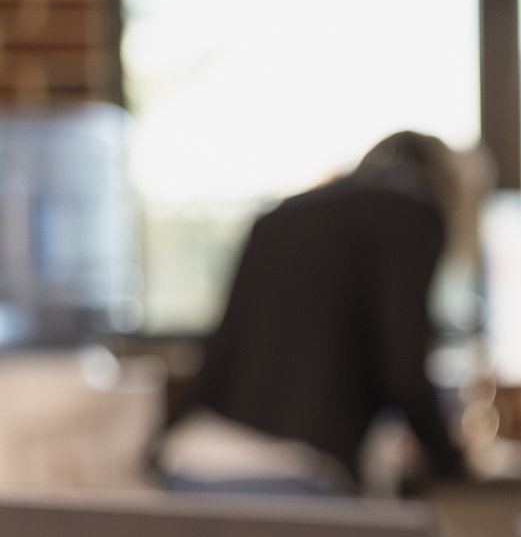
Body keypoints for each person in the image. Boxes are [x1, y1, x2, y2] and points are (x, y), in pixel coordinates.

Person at [158, 131, 490, 494]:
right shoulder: (411, 212)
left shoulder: (283, 215)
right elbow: (402, 367)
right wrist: (450, 461)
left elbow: (221, 350)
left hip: (195, 458)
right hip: (295, 471)